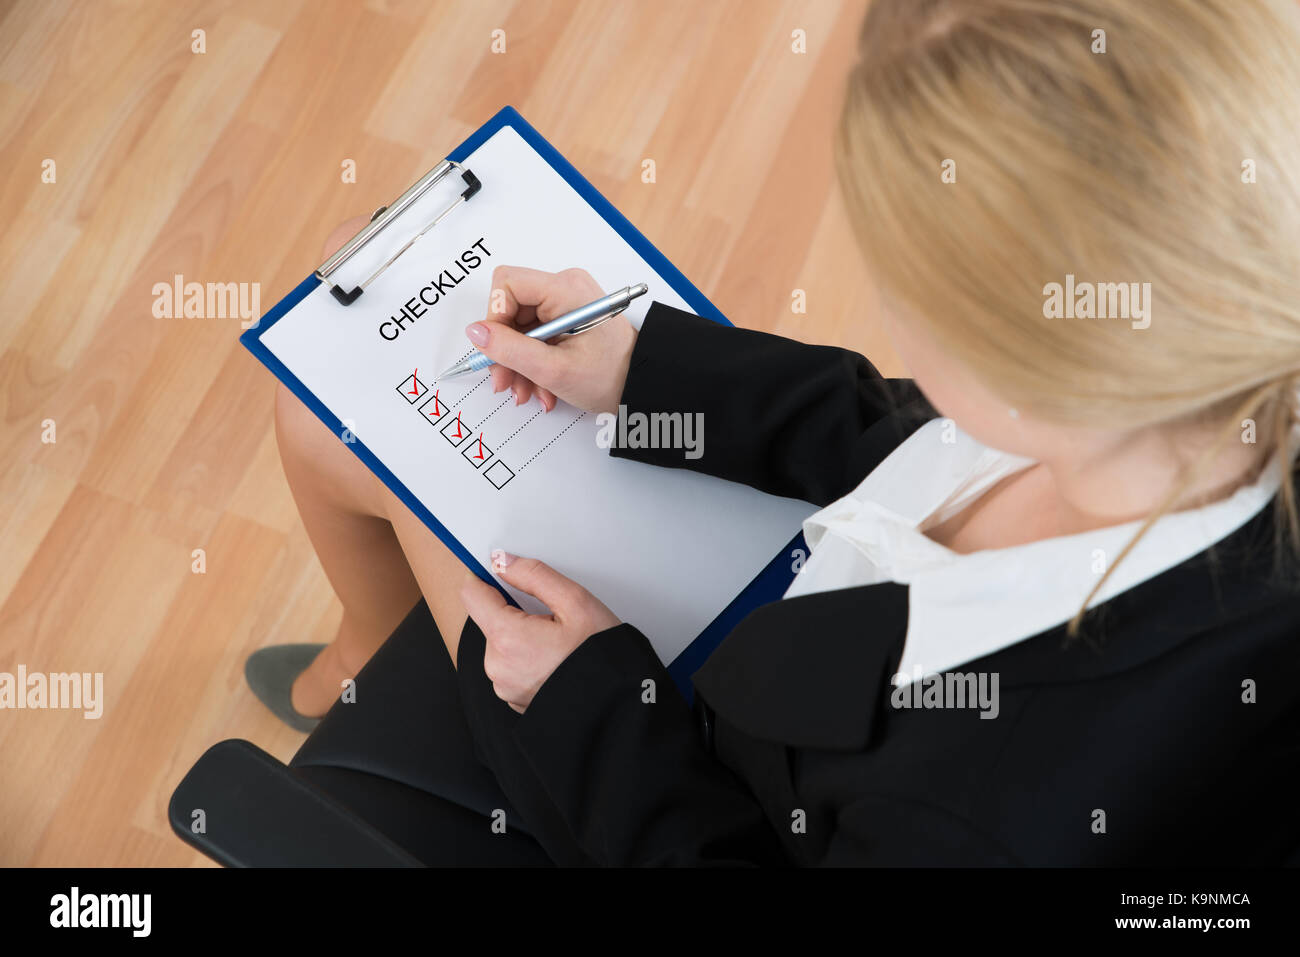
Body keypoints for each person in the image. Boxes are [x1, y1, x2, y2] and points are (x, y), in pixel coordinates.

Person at [247, 0, 1300, 864]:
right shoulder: (1177, 396)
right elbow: (908, 435)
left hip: (681, 771)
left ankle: (348, 675)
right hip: (801, 629)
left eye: (897, 283)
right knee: (362, 272)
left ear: (1025, 359)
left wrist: (594, 708)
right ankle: (354, 662)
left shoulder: (986, 821)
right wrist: (643, 370)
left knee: (339, 391)